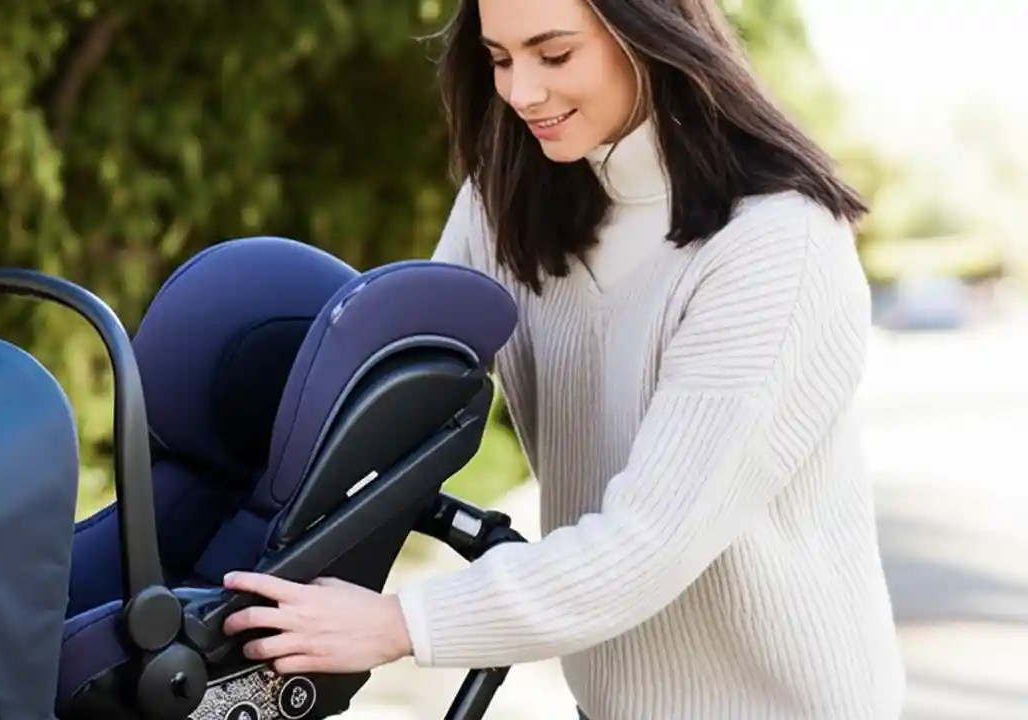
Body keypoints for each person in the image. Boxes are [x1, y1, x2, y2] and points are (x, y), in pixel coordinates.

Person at [221, 0, 908, 717]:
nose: (520, 92)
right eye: (500, 59)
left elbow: (648, 545)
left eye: (554, 56)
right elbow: (396, 402)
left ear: (650, 32)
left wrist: (399, 625)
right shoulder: (506, 204)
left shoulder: (776, 247)